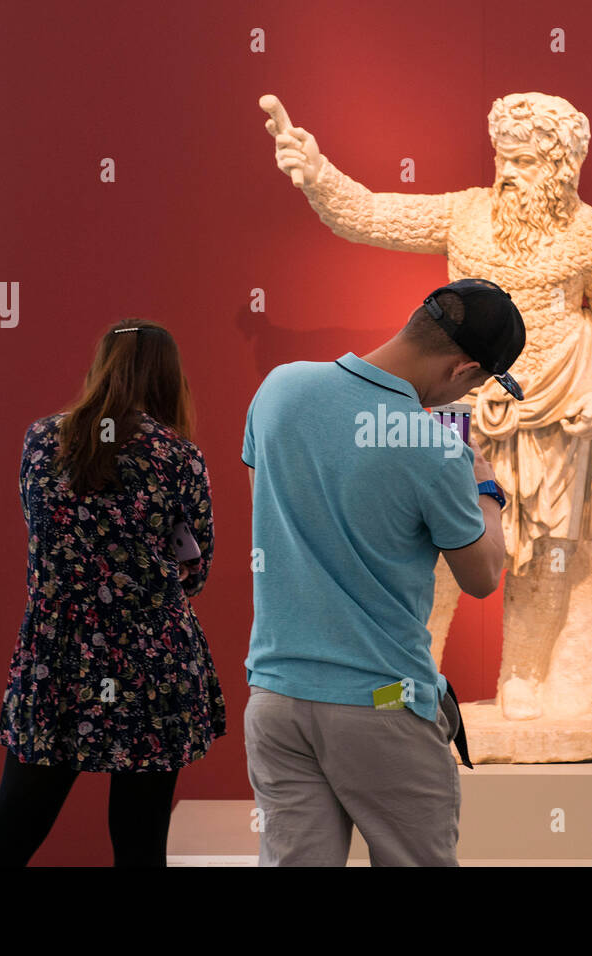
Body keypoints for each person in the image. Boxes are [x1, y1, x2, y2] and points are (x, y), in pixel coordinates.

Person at [242, 278, 524, 866]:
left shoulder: (279, 388)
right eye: (475, 383)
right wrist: (487, 489)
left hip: (276, 695)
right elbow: (481, 577)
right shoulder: (437, 450)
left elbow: (270, 506)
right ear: (463, 369)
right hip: (385, 699)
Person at [0, 319, 226, 867]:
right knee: (140, 849)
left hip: (56, 658)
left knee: (5, 845)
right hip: (150, 663)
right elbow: (195, 569)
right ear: (167, 376)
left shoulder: (42, 439)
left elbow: (42, 536)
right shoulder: (177, 456)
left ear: (101, 366)